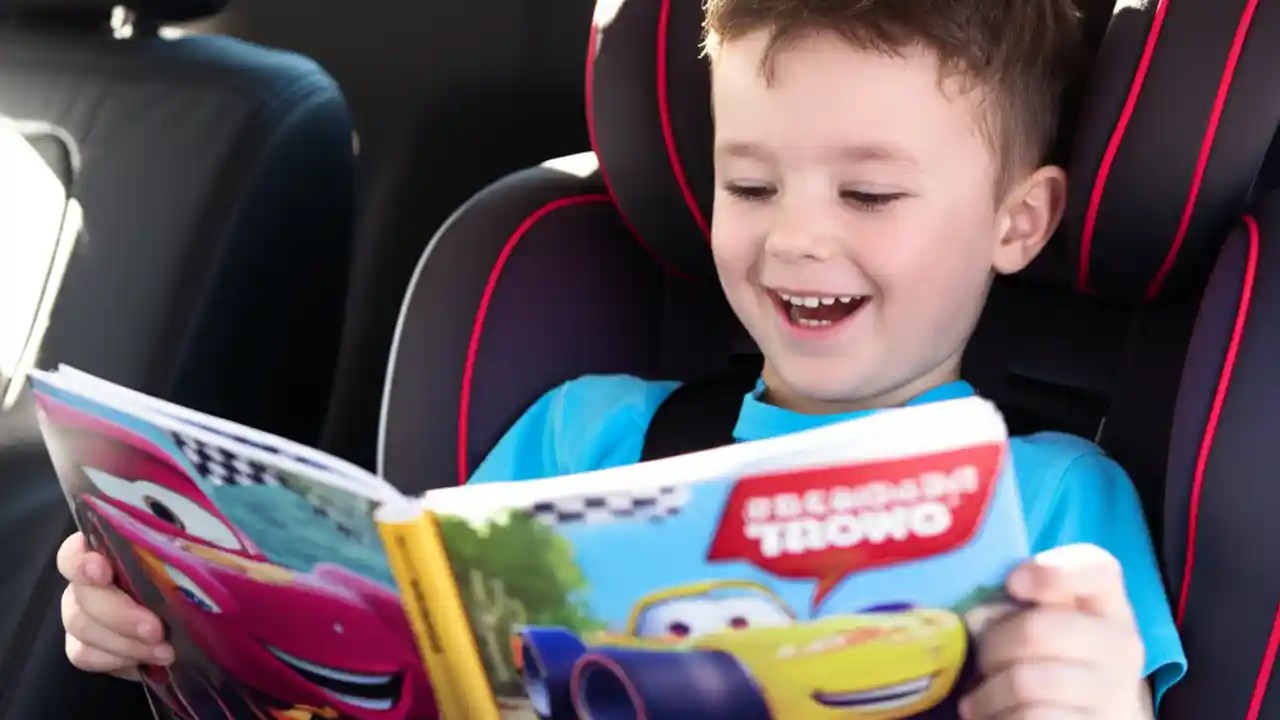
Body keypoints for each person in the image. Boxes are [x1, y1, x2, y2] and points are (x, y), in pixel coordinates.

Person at [58, 0, 1185, 716]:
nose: (792, 235)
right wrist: (169, 635)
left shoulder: (1052, 501)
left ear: (1017, 223)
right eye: (748, 184)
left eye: (868, 193)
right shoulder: (577, 432)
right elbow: (416, 664)